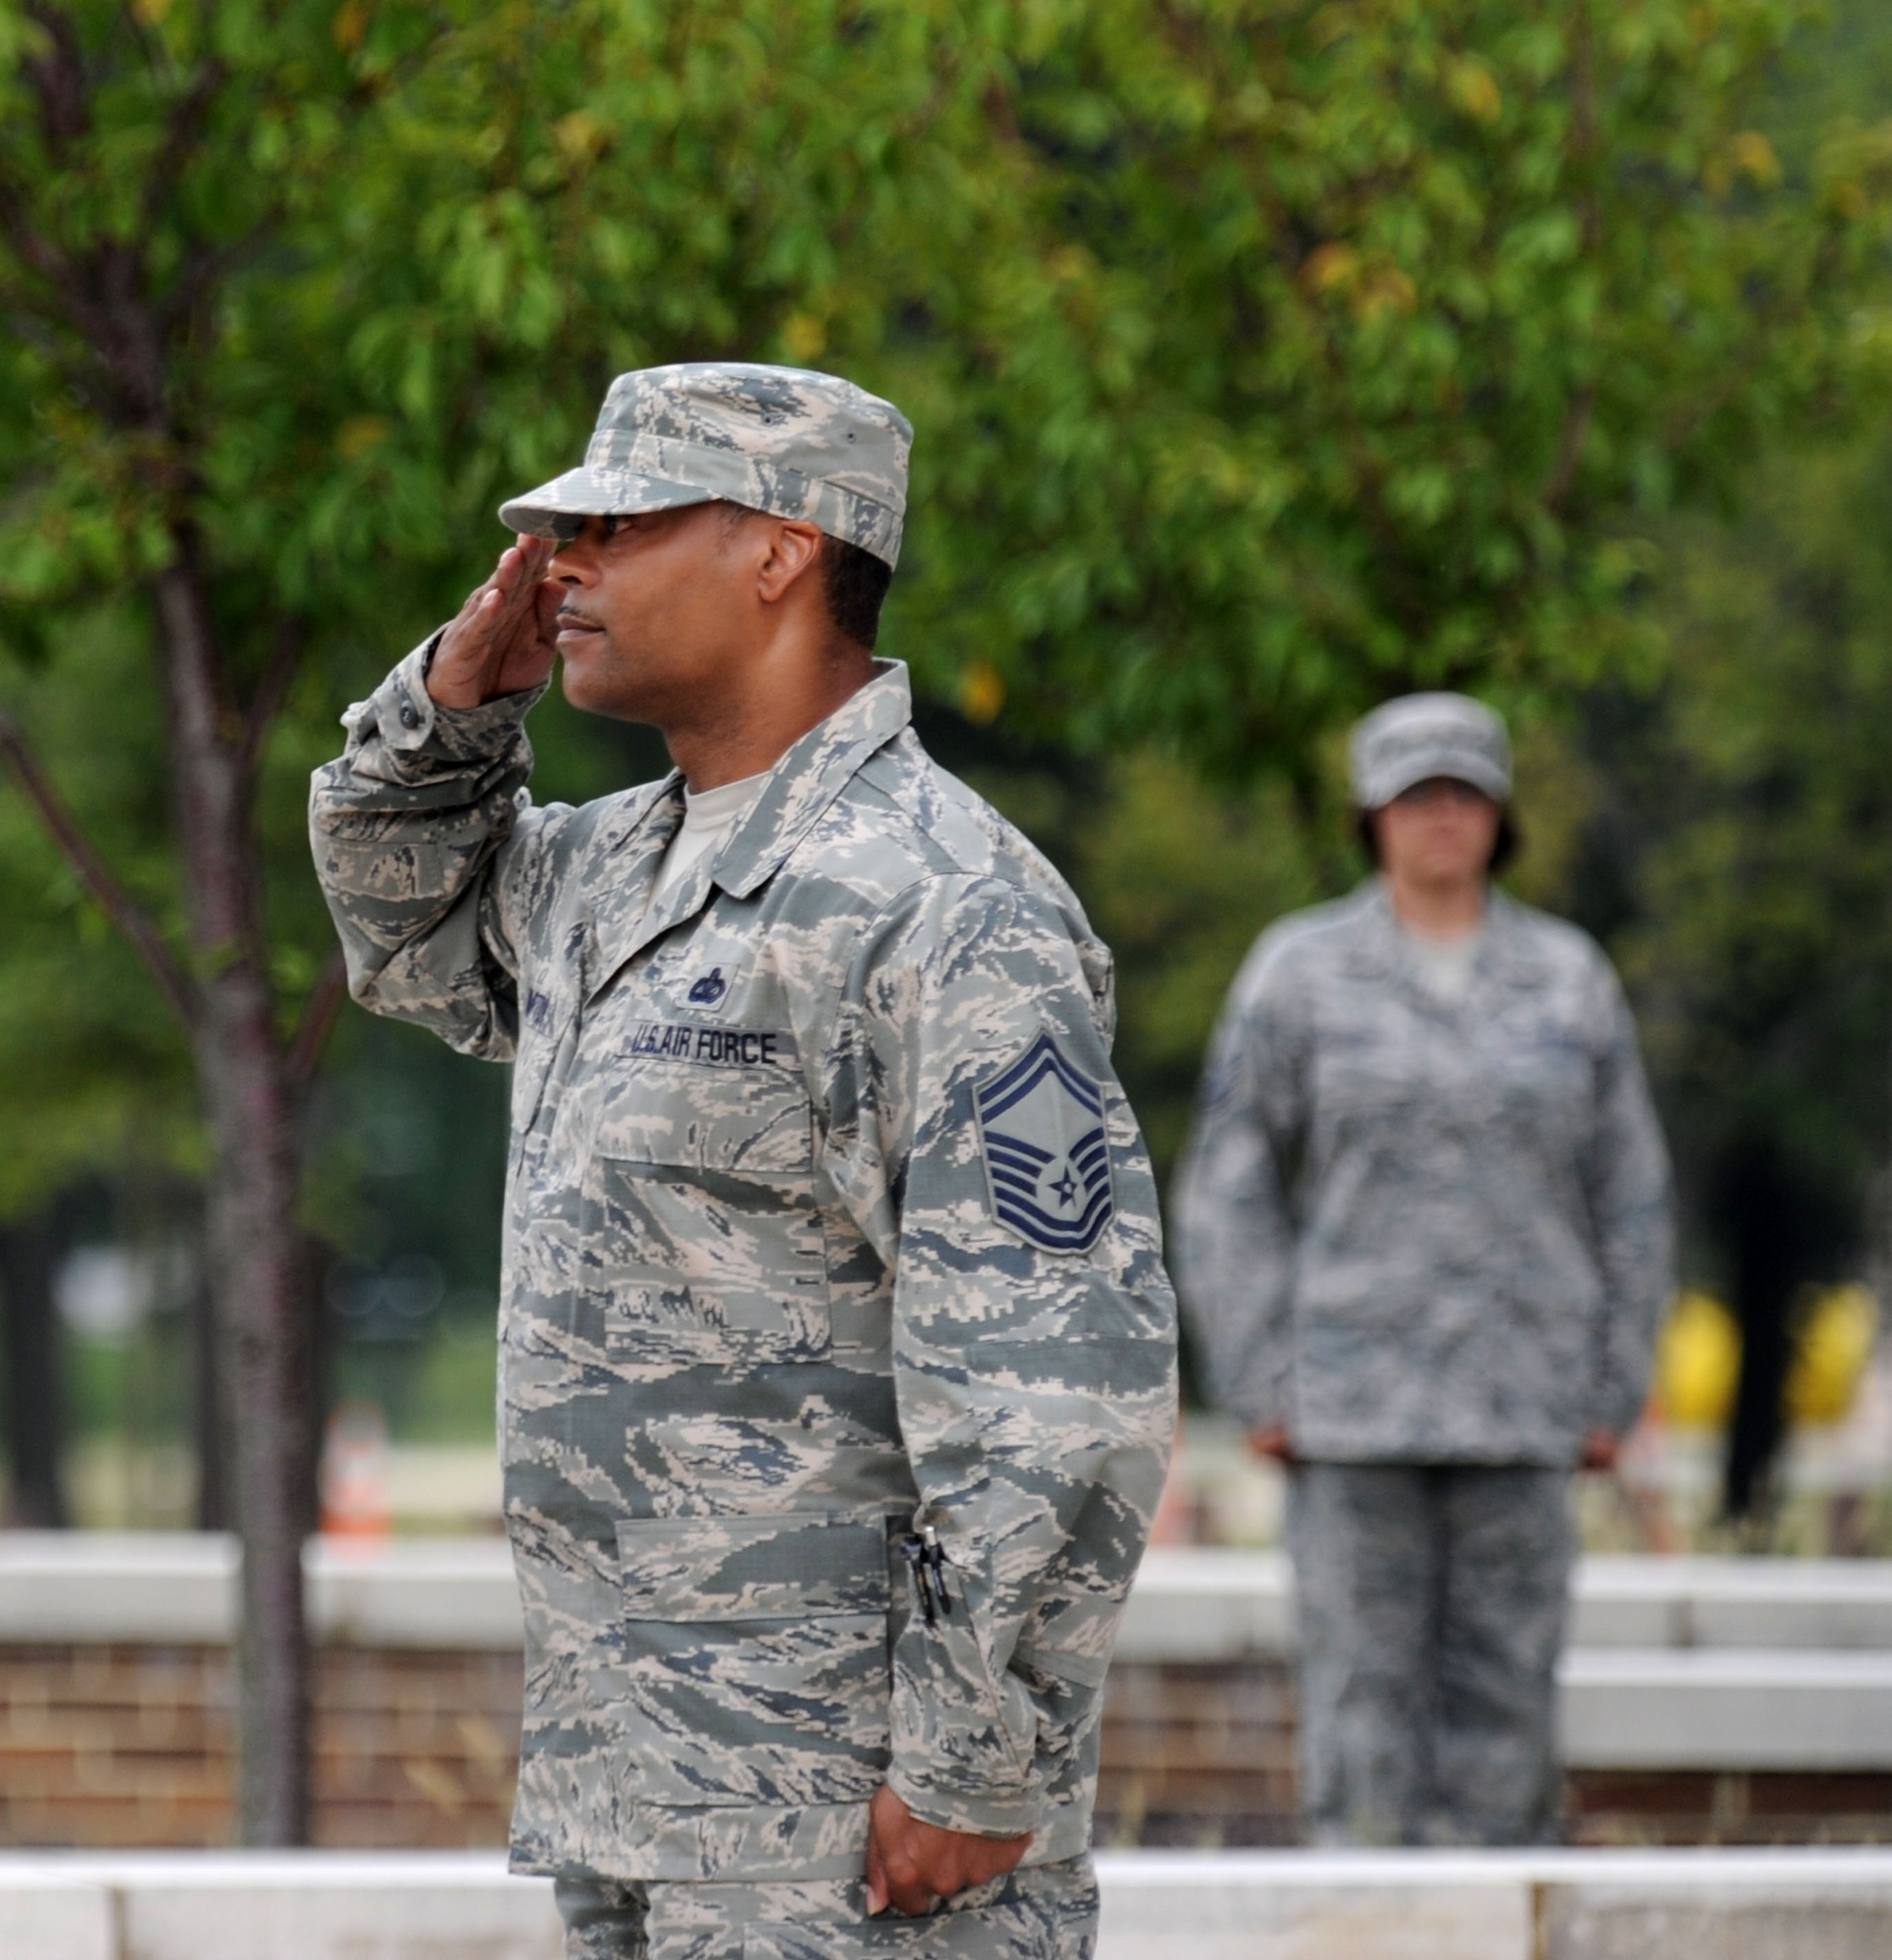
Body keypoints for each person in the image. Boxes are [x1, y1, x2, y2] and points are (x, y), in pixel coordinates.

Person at [309, 364, 1176, 1960]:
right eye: (555, 537)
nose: (562, 565)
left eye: (615, 526)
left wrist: (978, 1754)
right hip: (633, 1779)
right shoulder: (604, 869)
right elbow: (402, 921)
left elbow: (1057, 1386)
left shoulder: (942, 902)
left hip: (848, 1818)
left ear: (781, 550)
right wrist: (453, 696)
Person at [1172, 693, 1673, 1847]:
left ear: (1500, 816)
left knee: (1509, 1699)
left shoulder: (1570, 979)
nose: (1441, 818)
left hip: (1526, 1400)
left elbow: (1630, 1195)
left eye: (1464, 794)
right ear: (1371, 817)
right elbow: (1231, 1187)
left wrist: (1614, 1385)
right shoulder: (1297, 974)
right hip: (1352, 1409)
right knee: (1360, 1702)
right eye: (1415, 797)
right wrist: (1261, 1379)